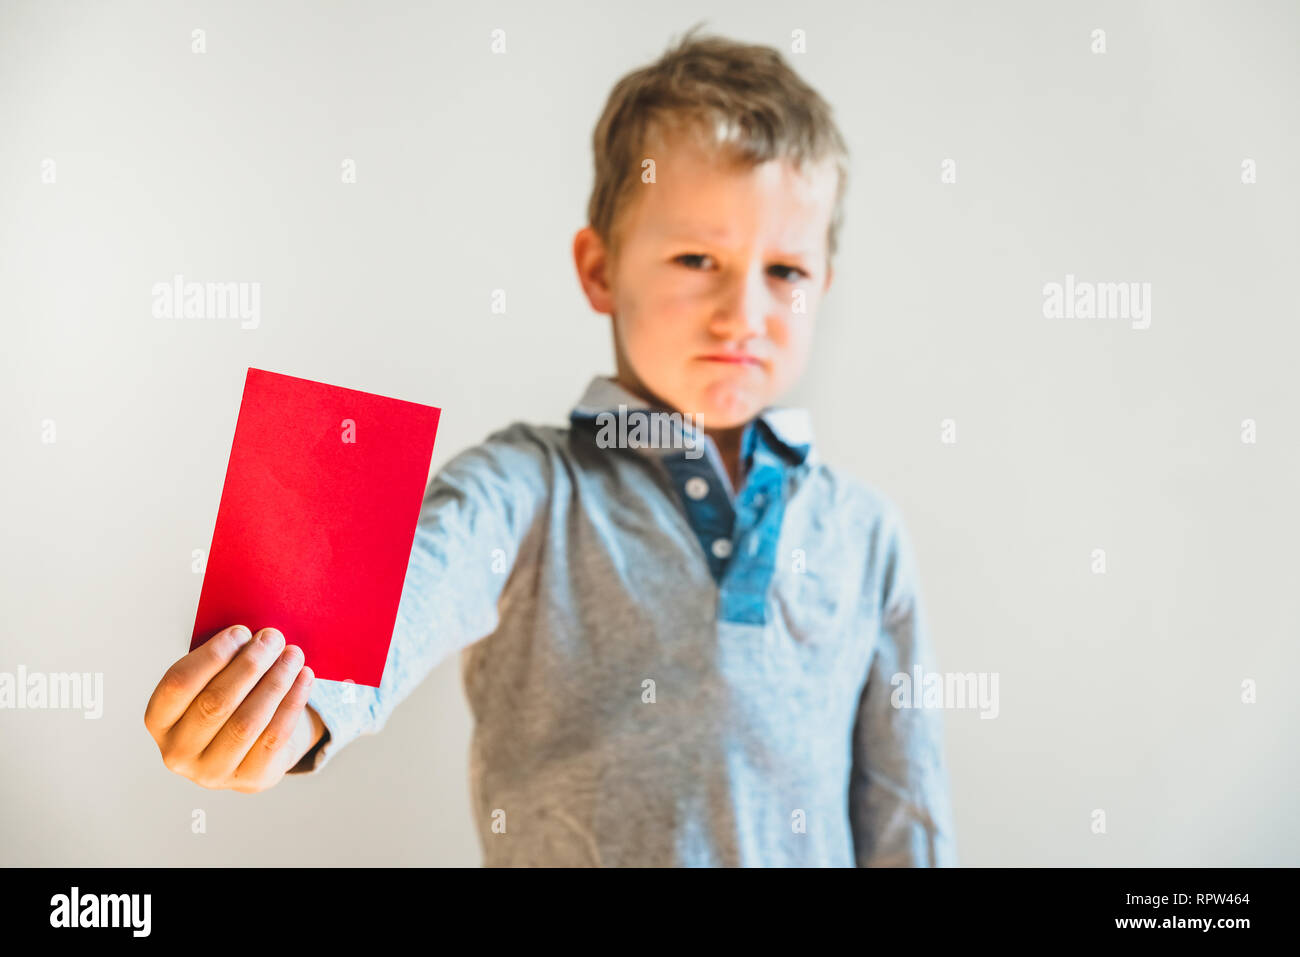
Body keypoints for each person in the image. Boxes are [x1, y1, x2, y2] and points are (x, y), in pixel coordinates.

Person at [144, 25, 958, 867]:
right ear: (600, 269)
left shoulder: (866, 534)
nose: (743, 312)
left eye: (784, 270)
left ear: (824, 282)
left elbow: (909, 815)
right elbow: (412, 592)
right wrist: (283, 712)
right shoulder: (528, 490)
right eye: (696, 256)